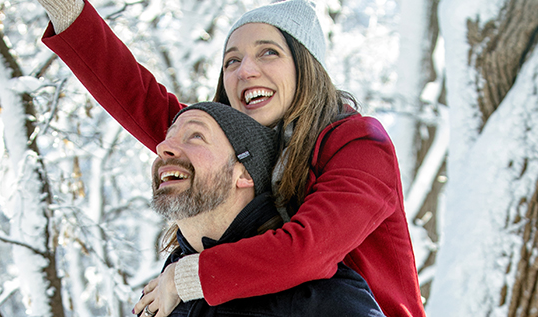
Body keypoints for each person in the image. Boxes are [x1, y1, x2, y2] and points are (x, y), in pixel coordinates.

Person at [38, 1, 427, 316]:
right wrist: (69, 13)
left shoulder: (357, 142)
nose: (246, 70)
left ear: (306, 67)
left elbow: (308, 249)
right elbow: (140, 100)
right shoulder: (237, 148)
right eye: (231, 61)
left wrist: (186, 279)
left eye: (268, 53)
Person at [147, 101, 384, 317]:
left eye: (196, 136)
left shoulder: (315, 297)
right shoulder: (163, 292)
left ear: (244, 174)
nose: (162, 147)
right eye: (169, 137)